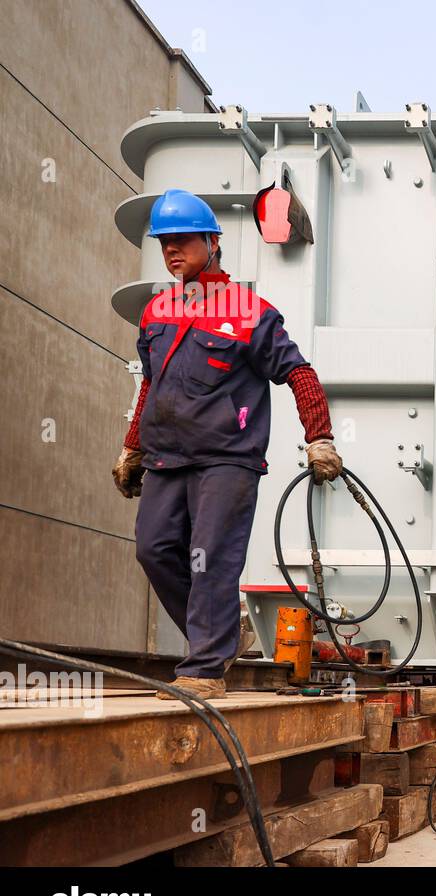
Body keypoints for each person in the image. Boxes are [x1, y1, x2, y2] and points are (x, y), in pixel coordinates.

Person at [111, 189, 342, 700]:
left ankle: (205, 669)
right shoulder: (157, 312)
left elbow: (298, 372)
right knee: (153, 549)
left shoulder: (251, 312)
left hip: (227, 460)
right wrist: (132, 447)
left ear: (212, 242)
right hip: (167, 456)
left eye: (183, 240)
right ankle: (219, 636)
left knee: (207, 556)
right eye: (165, 242)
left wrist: (320, 437)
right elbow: (151, 382)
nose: (172, 251)